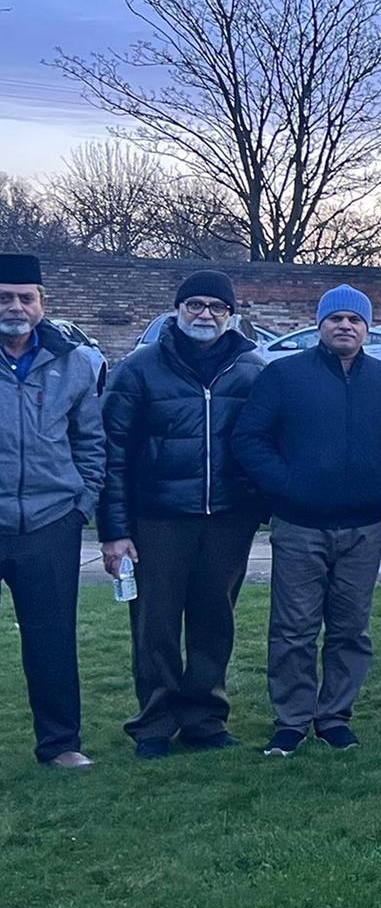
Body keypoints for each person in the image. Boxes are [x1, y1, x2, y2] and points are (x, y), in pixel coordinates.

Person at [235, 285, 381, 756]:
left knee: (351, 629)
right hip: (299, 525)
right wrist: (287, 486)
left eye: (355, 320)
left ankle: (335, 716)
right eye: (335, 319)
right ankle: (291, 721)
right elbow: (251, 438)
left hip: (363, 526)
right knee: (293, 629)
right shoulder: (284, 375)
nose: (345, 326)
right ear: (320, 325)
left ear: (367, 329)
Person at [100, 269, 266, 759]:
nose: (205, 315)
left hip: (227, 519)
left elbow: (264, 442)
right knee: (156, 624)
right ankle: (154, 722)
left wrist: (258, 506)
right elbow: (111, 453)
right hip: (158, 519)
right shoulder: (139, 368)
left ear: (231, 316)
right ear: (177, 311)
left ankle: (205, 717)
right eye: (195, 305)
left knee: (215, 621)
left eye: (217, 307)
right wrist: (115, 529)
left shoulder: (252, 368)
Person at [0, 254, 103, 769]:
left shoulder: (76, 364)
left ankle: (60, 744)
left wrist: (80, 506)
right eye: (4, 297)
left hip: (49, 522)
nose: (15, 306)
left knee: (51, 640)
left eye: (25, 297)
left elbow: (91, 442)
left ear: (42, 303)